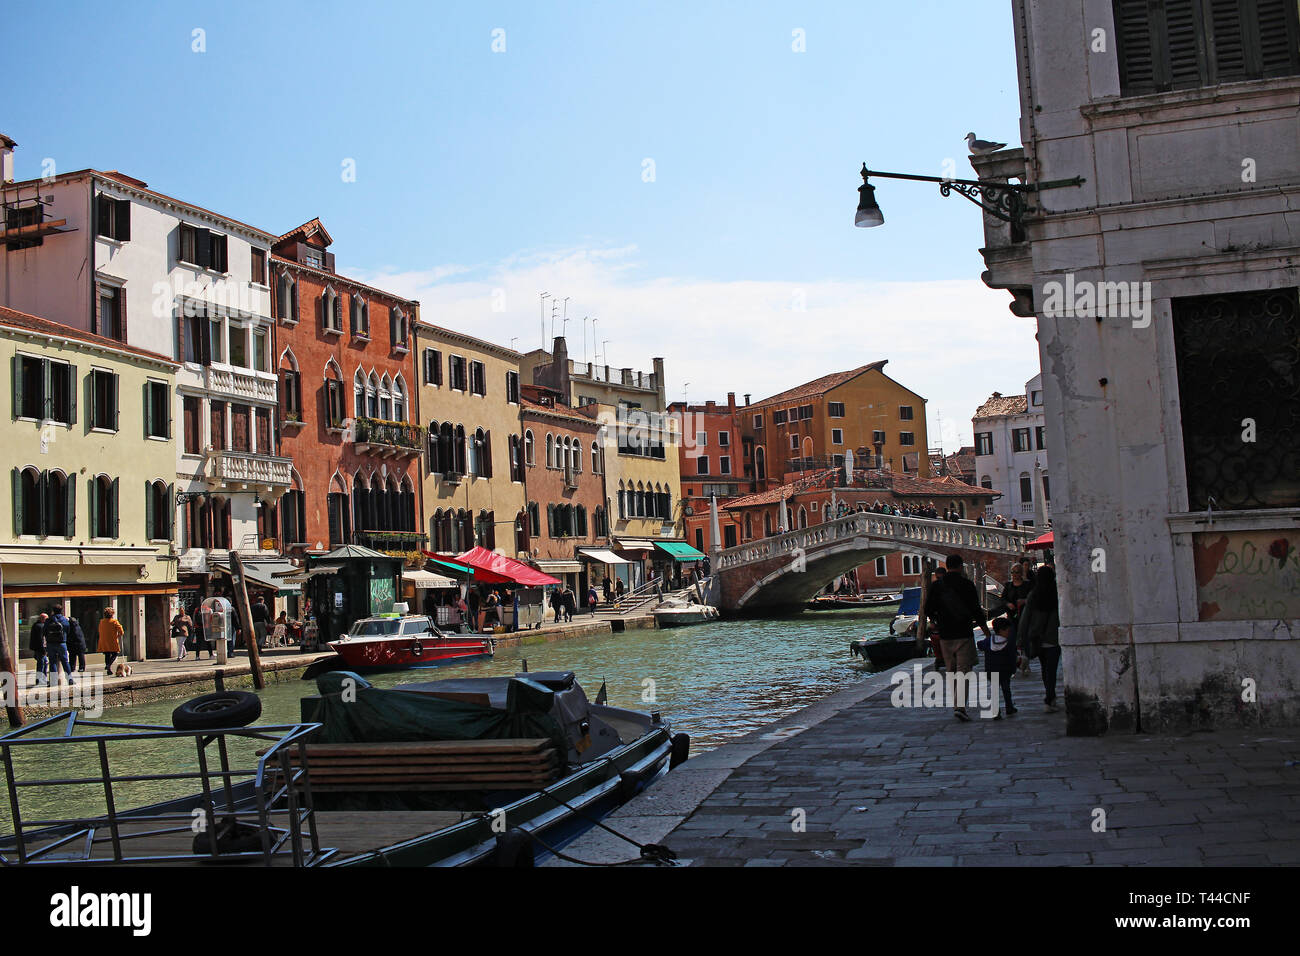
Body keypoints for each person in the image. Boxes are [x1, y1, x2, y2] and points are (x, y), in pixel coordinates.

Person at [926, 554, 991, 721]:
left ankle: (958, 705)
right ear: (961, 566)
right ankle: (959, 706)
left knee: (952, 670)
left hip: (945, 635)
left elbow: (927, 610)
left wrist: (936, 620)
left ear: (947, 566)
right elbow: (976, 610)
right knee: (963, 670)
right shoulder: (967, 584)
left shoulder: (936, 586)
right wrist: (987, 632)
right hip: (963, 633)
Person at [1019, 564, 1061, 711]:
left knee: (1045, 669)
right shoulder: (1058, 593)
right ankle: (1050, 697)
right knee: (1052, 669)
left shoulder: (1033, 594)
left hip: (1037, 636)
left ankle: (1050, 695)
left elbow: (1025, 618)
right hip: (1054, 637)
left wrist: (1021, 638)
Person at [977, 617, 1018, 718]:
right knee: (1006, 689)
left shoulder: (989, 641)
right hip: (1005, 671)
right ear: (1002, 630)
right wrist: (1013, 669)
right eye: (1008, 630)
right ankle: (1009, 707)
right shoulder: (1008, 644)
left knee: (994, 691)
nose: (1009, 632)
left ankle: (996, 712)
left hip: (991, 670)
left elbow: (979, 645)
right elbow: (1013, 657)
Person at [44, 611, 74, 685]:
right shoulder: (64, 620)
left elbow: (44, 631)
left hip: (51, 643)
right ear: (61, 611)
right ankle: (70, 679)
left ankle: (53, 681)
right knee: (65, 661)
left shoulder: (48, 620)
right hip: (61, 643)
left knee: (52, 662)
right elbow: (68, 630)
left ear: (53, 611)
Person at [98, 607, 124, 677]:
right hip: (112, 640)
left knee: (107, 654)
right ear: (112, 614)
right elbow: (120, 629)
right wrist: (120, 634)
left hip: (104, 640)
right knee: (115, 653)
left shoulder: (101, 621)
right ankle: (108, 665)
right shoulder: (114, 621)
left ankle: (108, 670)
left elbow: (100, 630)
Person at [28, 613, 48, 686]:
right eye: (46, 619)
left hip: (38, 648)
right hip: (40, 648)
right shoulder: (40, 626)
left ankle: (42, 679)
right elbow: (40, 639)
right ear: (42, 619)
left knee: (44, 663)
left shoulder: (36, 625)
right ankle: (40, 679)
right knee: (41, 664)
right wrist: (44, 649)